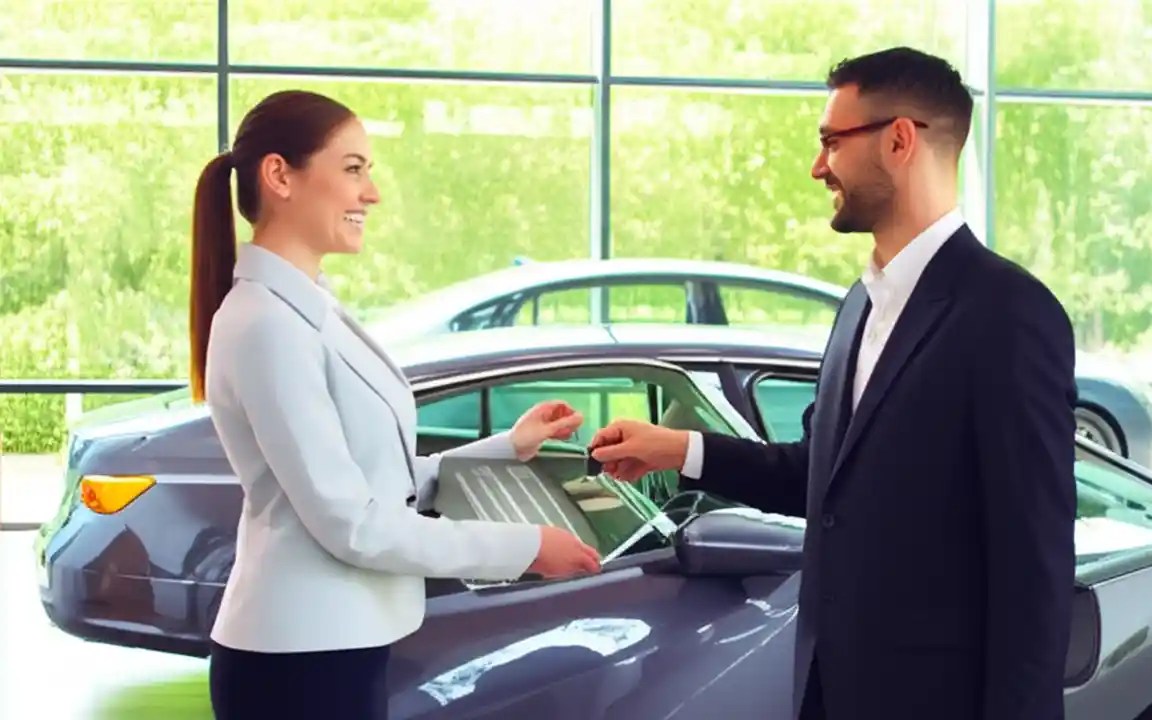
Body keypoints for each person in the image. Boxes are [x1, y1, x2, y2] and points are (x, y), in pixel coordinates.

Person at [588, 47, 1077, 720]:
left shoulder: (1008, 315)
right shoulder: (861, 304)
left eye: (830, 142)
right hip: (831, 690)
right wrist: (681, 450)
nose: (818, 167)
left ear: (900, 140)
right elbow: (821, 481)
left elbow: (1034, 570)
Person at [188, 89, 602, 720]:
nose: (371, 193)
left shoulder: (306, 307)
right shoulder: (268, 324)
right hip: (300, 661)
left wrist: (504, 449)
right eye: (353, 169)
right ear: (280, 176)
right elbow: (350, 521)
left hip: (332, 647)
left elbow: (372, 482)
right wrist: (524, 548)